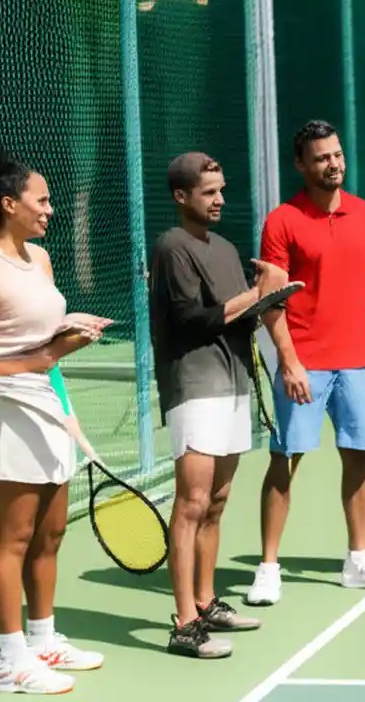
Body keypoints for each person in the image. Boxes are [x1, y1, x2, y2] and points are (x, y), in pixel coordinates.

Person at [0, 146, 111, 694]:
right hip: (7, 407)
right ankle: (9, 661)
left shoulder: (39, 260)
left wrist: (69, 329)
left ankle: (43, 638)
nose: (50, 210)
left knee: (50, 532)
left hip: (47, 402)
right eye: (41, 200)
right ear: (8, 204)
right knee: (14, 538)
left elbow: (35, 331)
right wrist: (43, 358)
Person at [245, 119, 365, 605]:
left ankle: (359, 559)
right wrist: (290, 362)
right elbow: (270, 300)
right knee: (285, 459)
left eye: (337, 154)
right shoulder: (282, 221)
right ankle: (268, 567)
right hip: (305, 362)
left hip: (358, 362)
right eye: (321, 157)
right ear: (302, 164)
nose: (333, 163)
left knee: (359, 458)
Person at [149, 152, 285, 657]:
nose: (220, 199)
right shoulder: (172, 247)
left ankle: (206, 602)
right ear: (182, 197)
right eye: (209, 192)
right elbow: (193, 320)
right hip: (194, 386)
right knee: (191, 504)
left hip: (233, 384)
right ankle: (184, 623)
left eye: (222, 190)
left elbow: (240, 318)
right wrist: (257, 292)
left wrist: (271, 298)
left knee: (218, 502)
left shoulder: (227, 249)